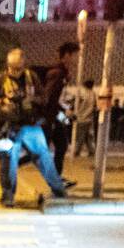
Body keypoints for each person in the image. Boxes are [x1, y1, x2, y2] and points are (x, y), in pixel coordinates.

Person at [0, 48, 67, 208]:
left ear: (24, 65)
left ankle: (59, 189)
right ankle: (8, 196)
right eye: (13, 68)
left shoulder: (31, 77)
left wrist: (31, 100)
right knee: (8, 163)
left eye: (19, 68)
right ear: (8, 65)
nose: (16, 72)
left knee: (44, 158)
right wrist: (3, 101)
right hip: (8, 127)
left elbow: (44, 98)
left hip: (31, 125)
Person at [42, 42, 79, 185]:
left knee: (61, 144)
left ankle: (56, 179)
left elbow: (55, 100)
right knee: (41, 150)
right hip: (49, 117)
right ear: (67, 56)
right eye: (75, 56)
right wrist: (63, 114)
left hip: (54, 116)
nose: (77, 59)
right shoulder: (57, 73)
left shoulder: (63, 73)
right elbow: (49, 99)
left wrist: (64, 113)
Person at [72, 79, 97, 157]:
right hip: (89, 117)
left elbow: (75, 103)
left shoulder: (82, 93)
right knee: (89, 136)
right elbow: (95, 106)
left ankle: (77, 151)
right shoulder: (93, 94)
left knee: (80, 136)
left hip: (81, 117)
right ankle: (92, 151)